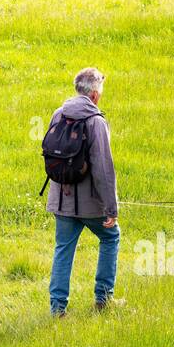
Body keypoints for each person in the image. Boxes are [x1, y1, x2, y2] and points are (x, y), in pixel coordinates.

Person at [45, 67, 118, 316]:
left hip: (61, 201)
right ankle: (103, 299)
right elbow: (103, 168)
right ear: (95, 95)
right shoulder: (96, 121)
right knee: (110, 237)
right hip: (90, 205)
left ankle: (57, 309)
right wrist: (111, 208)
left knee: (63, 248)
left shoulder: (58, 114)